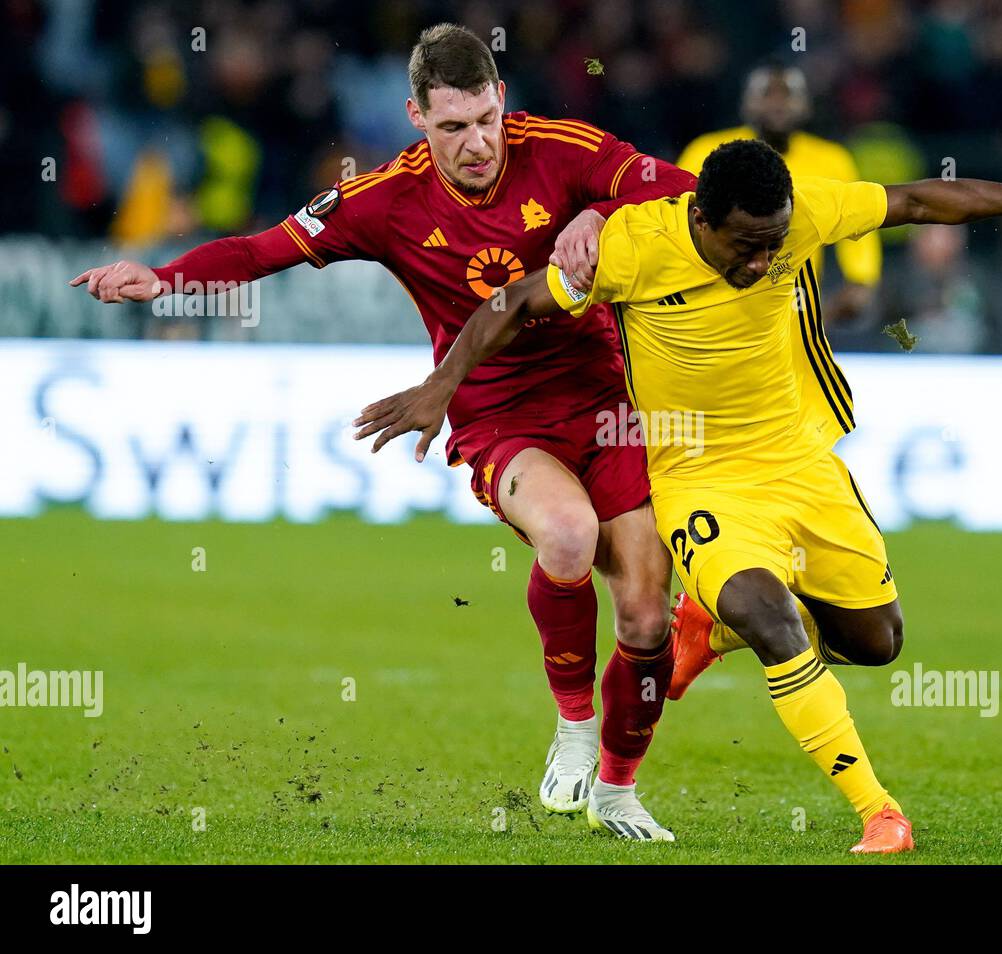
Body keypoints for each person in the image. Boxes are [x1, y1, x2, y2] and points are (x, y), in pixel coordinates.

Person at [354, 139, 1002, 854]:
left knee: (877, 643)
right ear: (699, 218)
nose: (762, 260)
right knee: (771, 615)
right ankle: (879, 811)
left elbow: (913, 201)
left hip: (801, 465)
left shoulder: (800, 213)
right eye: (745, 245)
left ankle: (707, 629)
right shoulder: (634, 247)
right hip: (697, 480)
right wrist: (441, 385)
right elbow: (518, 301)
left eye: (773, 243)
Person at [69, 22, 699, 842]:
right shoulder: (381, 199)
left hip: (609, 402)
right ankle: (575, 729)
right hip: (498, 413)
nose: (476, 144)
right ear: (414, 117)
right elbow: (268, 249)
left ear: (501, 99)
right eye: (451, 128)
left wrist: (607, 214)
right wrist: (165, 277)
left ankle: (617, 791)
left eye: (485, 120)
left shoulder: (565, 148)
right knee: (570, 537)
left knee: (648, 619)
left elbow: (687, 191)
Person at [678, 62, 881, 324]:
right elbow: (676, 218)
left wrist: (860, 281)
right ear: (746, 103)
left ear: (806, 104)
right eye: (767, 94)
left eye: (787, 94)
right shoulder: (705, 151)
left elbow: (858, 223)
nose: (777, 103)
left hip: (795, 308)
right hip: (716, 301)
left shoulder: (832, 160)